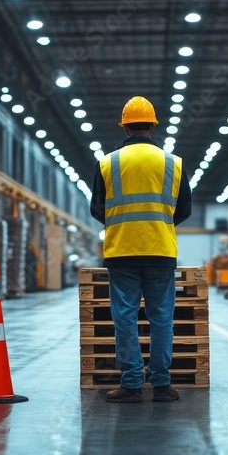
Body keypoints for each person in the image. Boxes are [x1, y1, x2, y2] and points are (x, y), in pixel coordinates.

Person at [90, 96, 191, 403]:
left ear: (125, 127)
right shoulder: (174, 163)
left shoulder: (108, 162)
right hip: (160, 251)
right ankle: (161, 386)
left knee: (125, 319)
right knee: (162, 319)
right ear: (151, 126)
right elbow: (183, 210)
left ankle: (132, 385)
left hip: (122, 251)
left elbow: (97, 208)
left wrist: (123, 224)